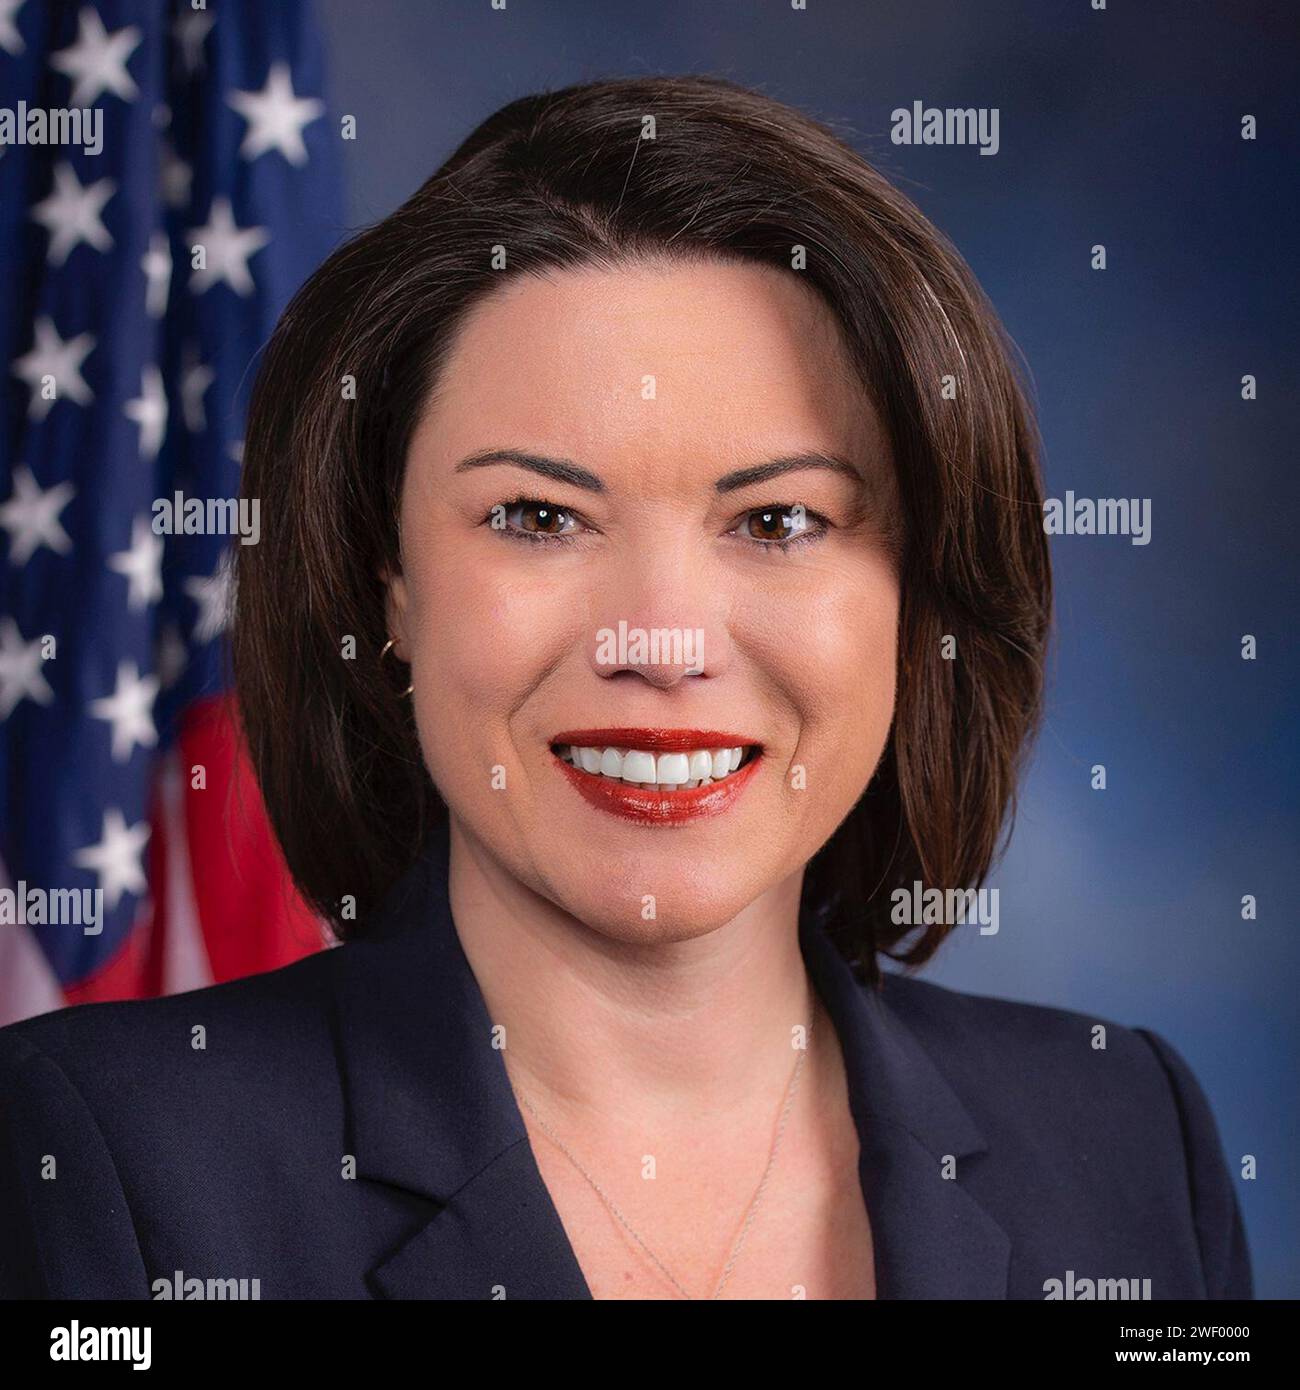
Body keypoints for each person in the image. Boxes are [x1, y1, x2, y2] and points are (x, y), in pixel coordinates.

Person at [0, 74, 1250, 1300]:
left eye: (778, 520)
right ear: (388, 587)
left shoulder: (1130, 1135)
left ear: (918, 598)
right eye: (537, 515)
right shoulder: (102, 1157)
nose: (659, 641)